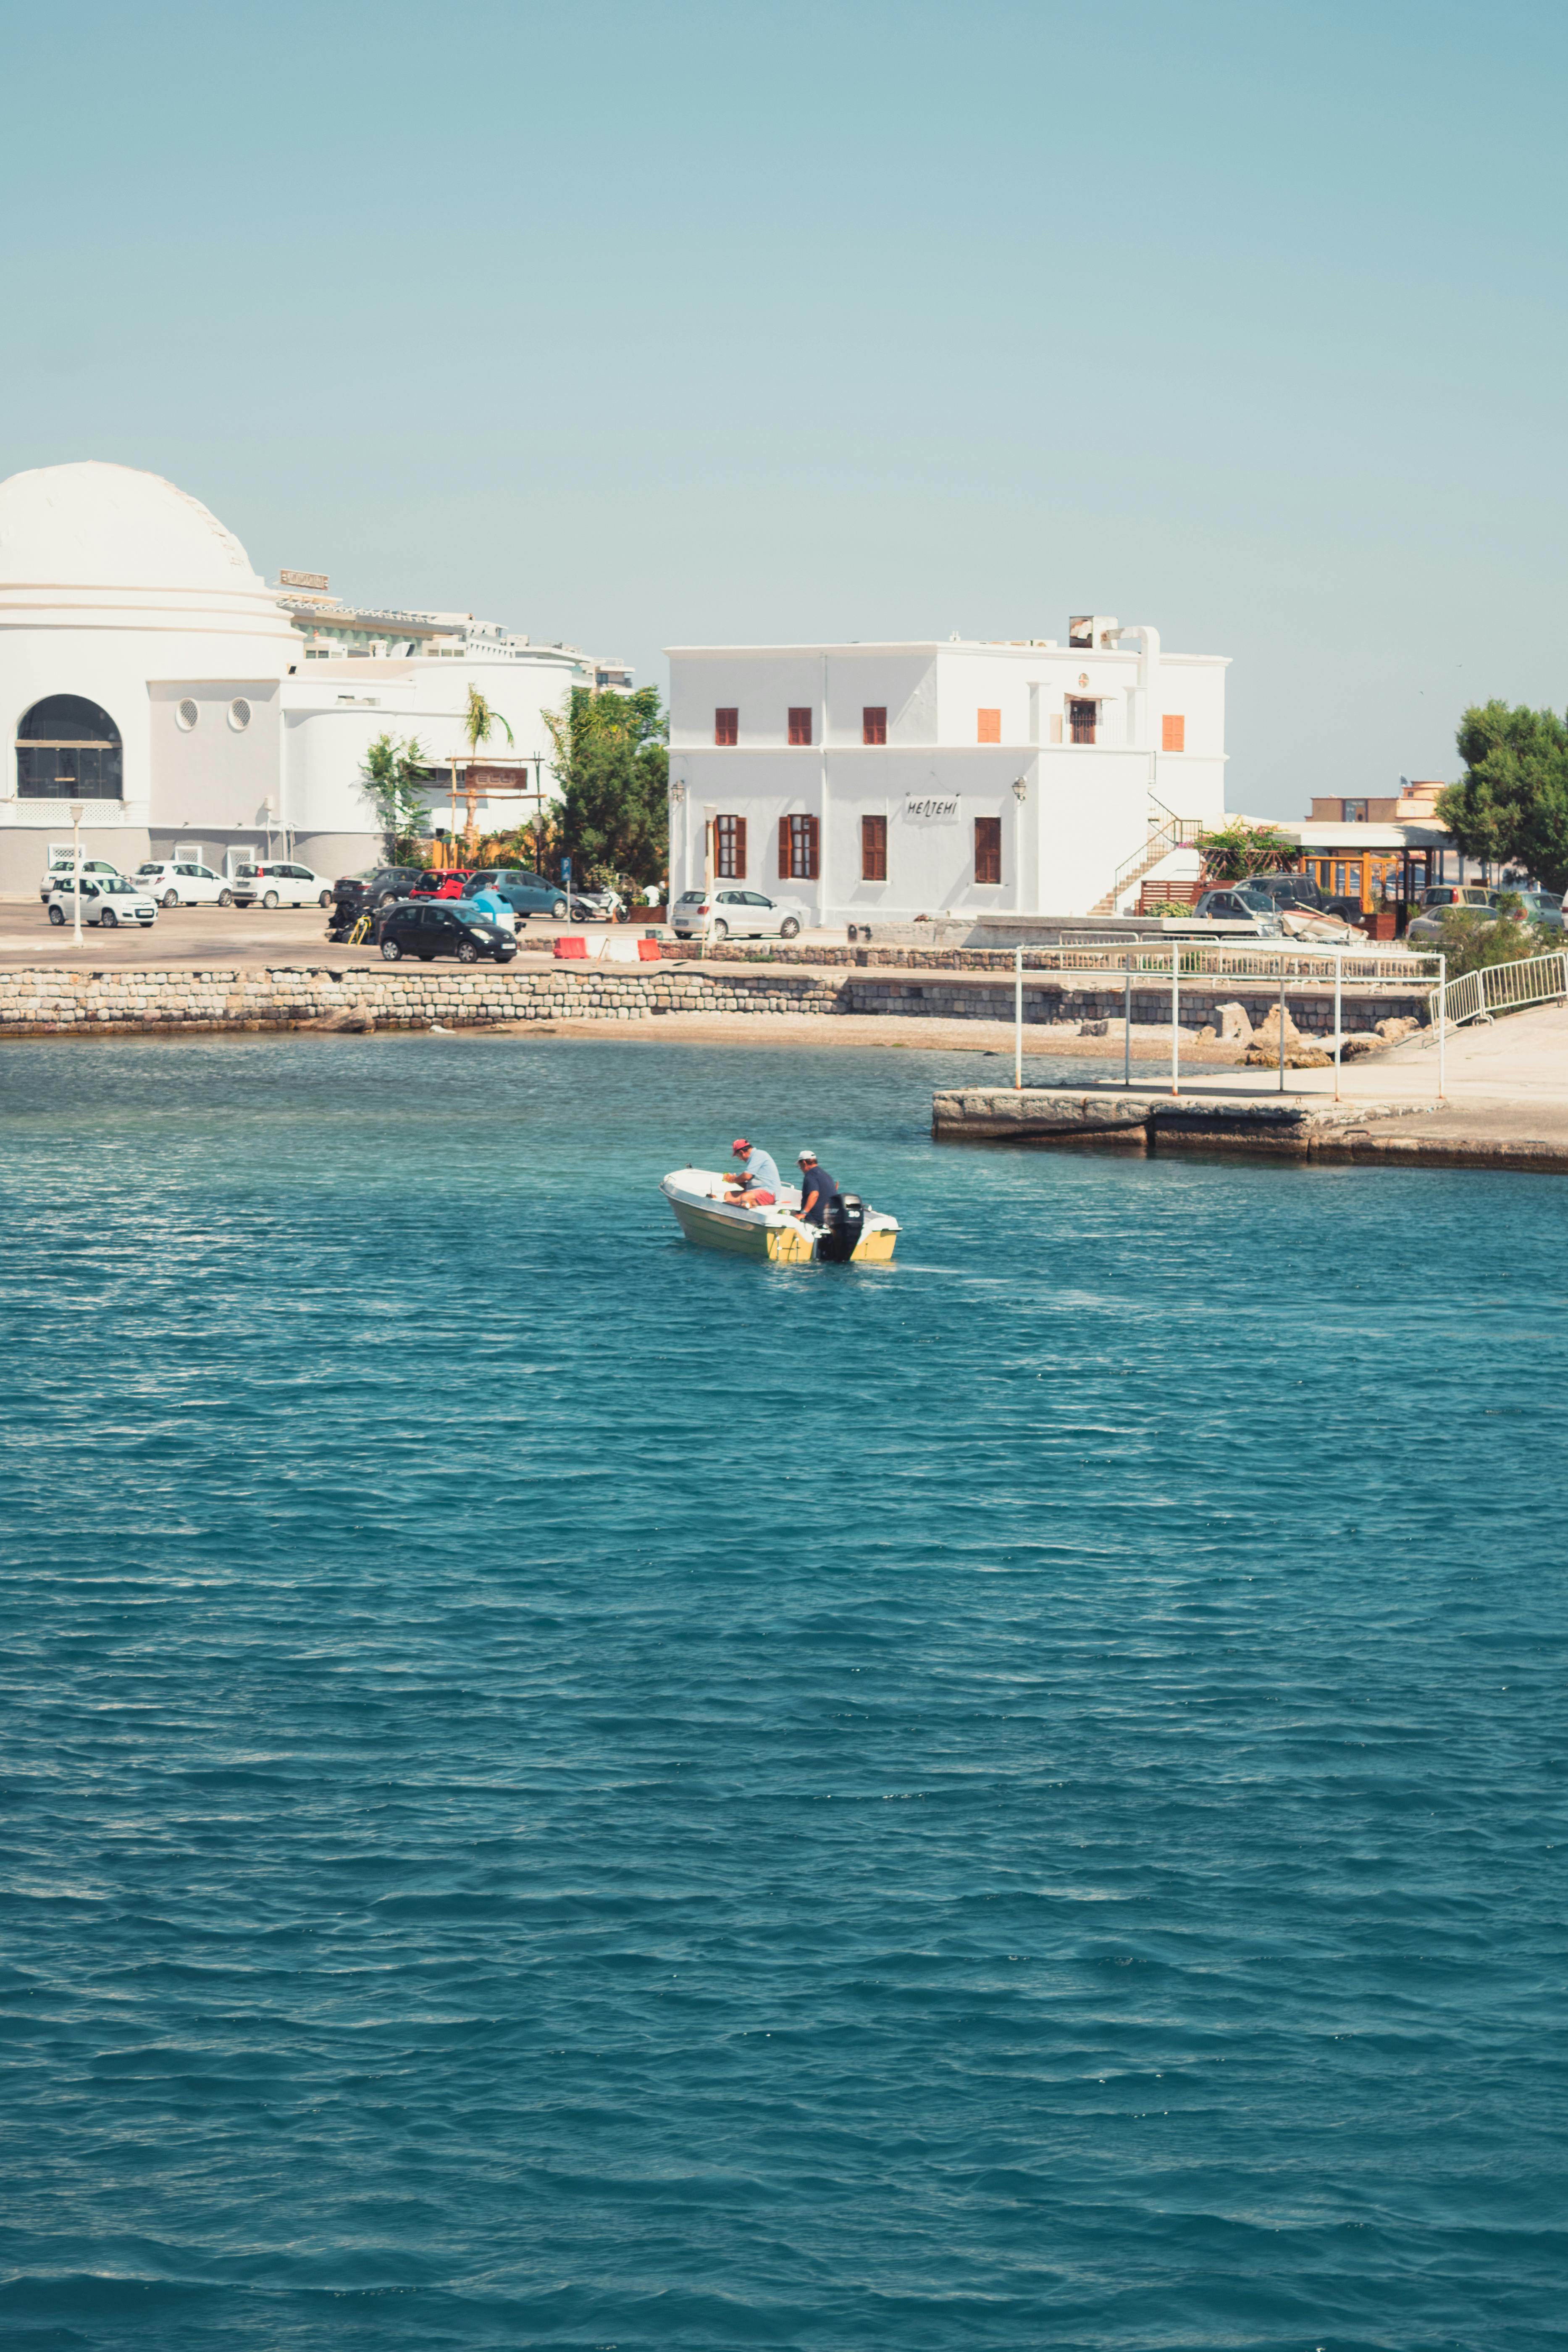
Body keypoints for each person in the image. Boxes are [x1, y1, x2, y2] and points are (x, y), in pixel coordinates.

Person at [724, 1136, 780, 1208]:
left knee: (745, 1197)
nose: (740, 1159)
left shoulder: (759, 1155)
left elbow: (747, 1176)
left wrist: (733, 1179)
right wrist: (736, 1180)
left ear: (742, 1152)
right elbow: (748, 1186)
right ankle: (745, 1205)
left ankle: (746, 1206)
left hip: (769, 1193)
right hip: (755, 1191)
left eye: (739, 1157)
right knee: (728, 1196)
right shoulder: (753, 1159)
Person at [794, 1150, 840, 1226]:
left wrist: (804, 1214)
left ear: (804, 1163)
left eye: (800, 1166)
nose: (801, 1169)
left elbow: (814, 1194)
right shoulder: (826, 1175)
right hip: (829, 1218)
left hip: (815, 1219)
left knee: (787, 1215)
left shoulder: (810, 1175)